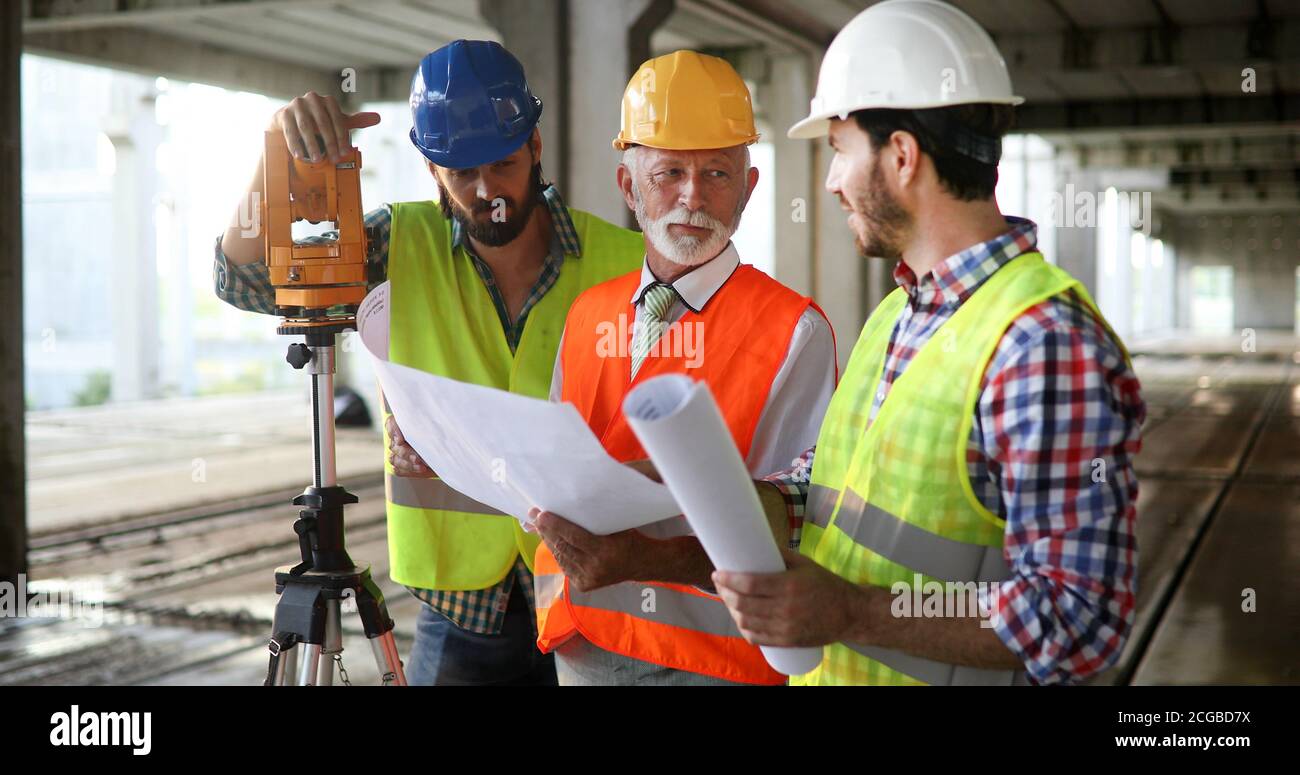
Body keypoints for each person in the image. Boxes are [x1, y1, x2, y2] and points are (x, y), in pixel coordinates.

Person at [710, 0, 1145, 685]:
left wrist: (850, 612)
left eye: (839, 151)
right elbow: (840, 490)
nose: (829, 182)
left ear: (903, 156)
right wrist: (728, 499)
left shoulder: (1043, 343)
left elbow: (1078, 615)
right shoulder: (897, 312)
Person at [214, 40, 644, 685]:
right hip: (459, 603)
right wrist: (274, 151)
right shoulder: (397, 243)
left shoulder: (623, 260)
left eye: (501, 164)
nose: (484, 191)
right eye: (459, 170)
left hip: (595, 592)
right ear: (428, 163)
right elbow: (240, 280)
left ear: (534, 146)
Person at [528, 51, 838, 685]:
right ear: (628, 187)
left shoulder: (793, 331)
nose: (693, 196)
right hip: (581, 637)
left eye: (718, 173)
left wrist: (651, 551)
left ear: (749, 189)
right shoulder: (589, 314)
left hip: (711, 659)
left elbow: (797, 523)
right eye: (669, 171)